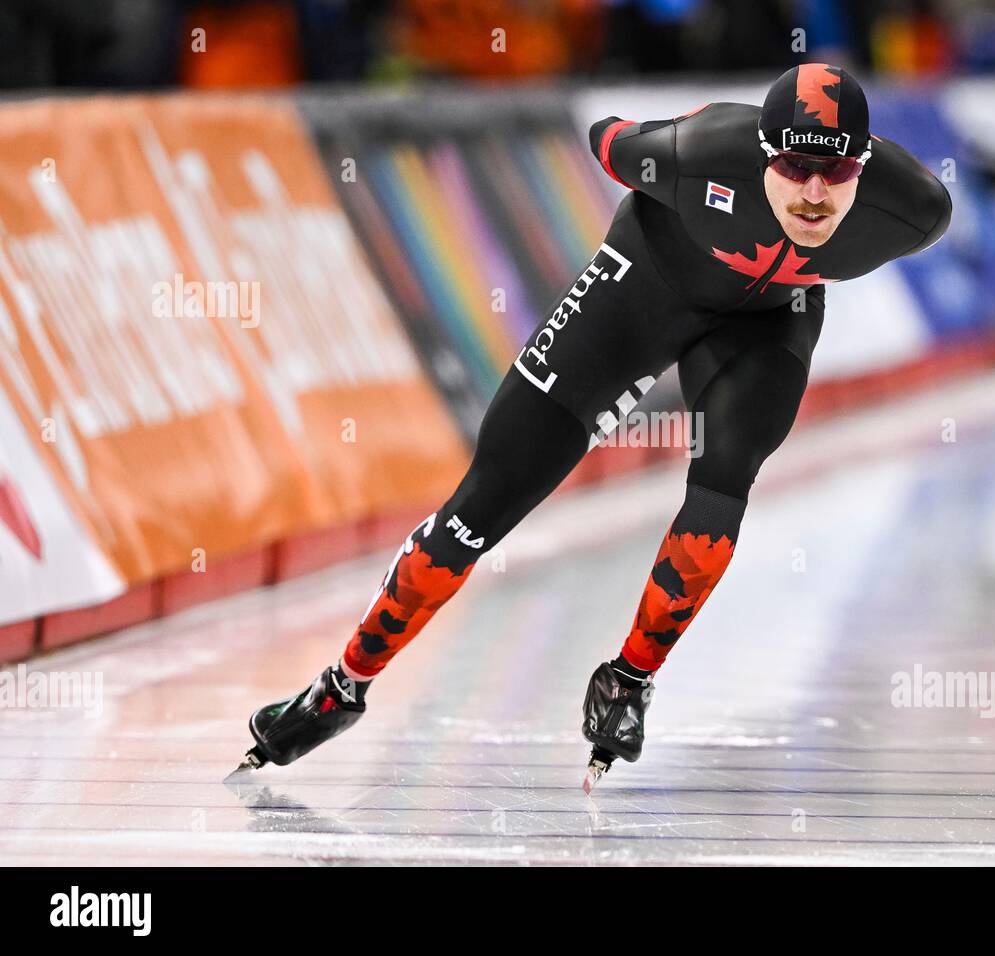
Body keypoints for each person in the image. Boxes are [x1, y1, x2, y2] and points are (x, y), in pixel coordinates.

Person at [234, 63, 951, 790]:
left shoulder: (915, 210)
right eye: (795, 166)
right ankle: (342, 685)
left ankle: (629, 680)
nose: (814, 192)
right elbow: (604, 135)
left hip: (767, 325)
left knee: (723, 481)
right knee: (482, 506)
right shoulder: (694, 153)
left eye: (835, 170)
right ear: (762, 153)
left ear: (864, 164)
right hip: (640, 293)